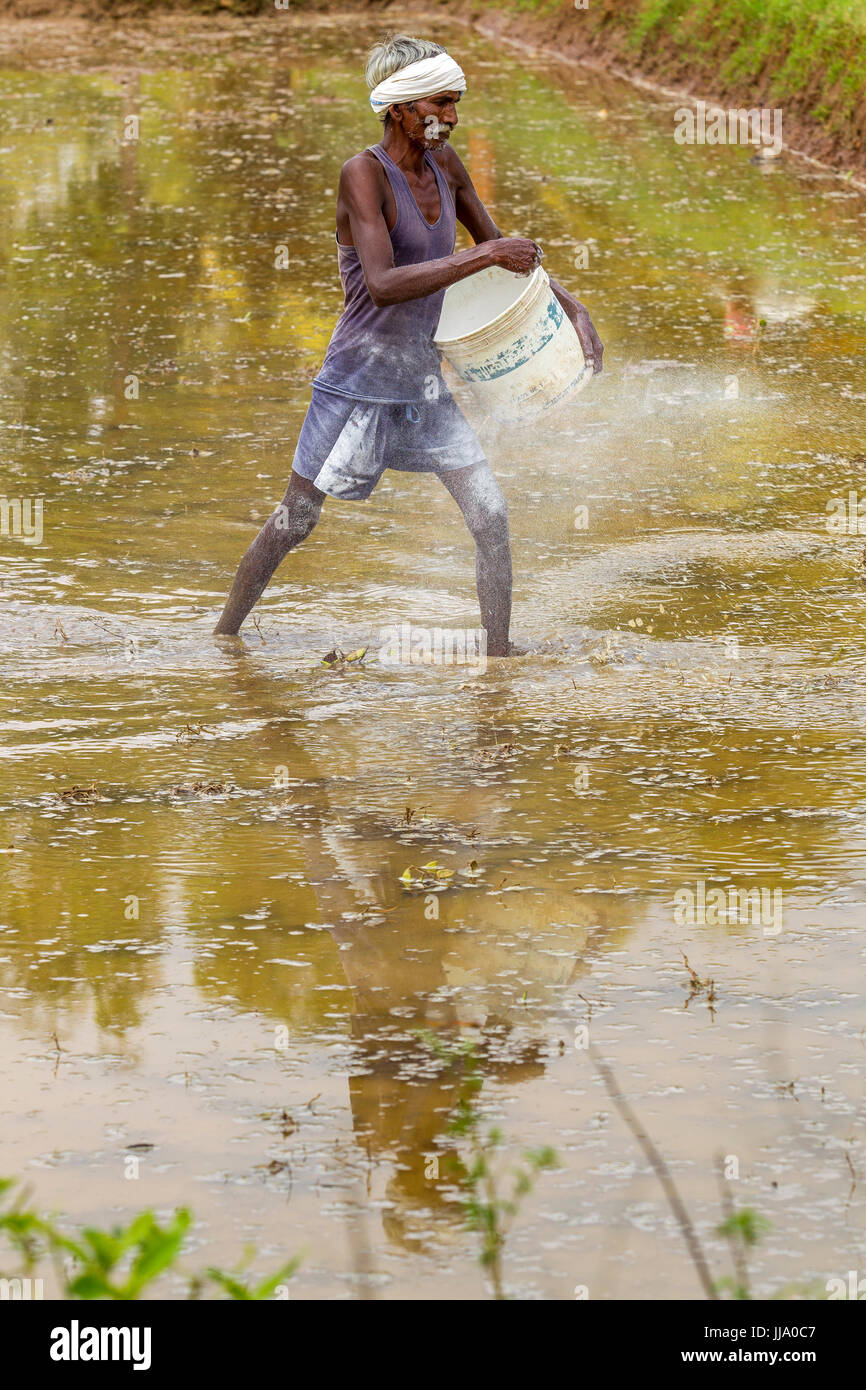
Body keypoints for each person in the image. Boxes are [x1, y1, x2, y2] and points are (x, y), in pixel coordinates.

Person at [214, 33, 604, 654]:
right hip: (358, 380)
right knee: (296, 520)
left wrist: (570, 307)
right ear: (399, 107)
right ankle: (224, 640)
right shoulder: (363, 175)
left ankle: (497, 660)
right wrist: (483, 254)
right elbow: (385, 283)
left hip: (422, 382)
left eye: (455, 104)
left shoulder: (446, 167)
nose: (451, 117)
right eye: (440, 104)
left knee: (491, 517)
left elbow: (509, 262)